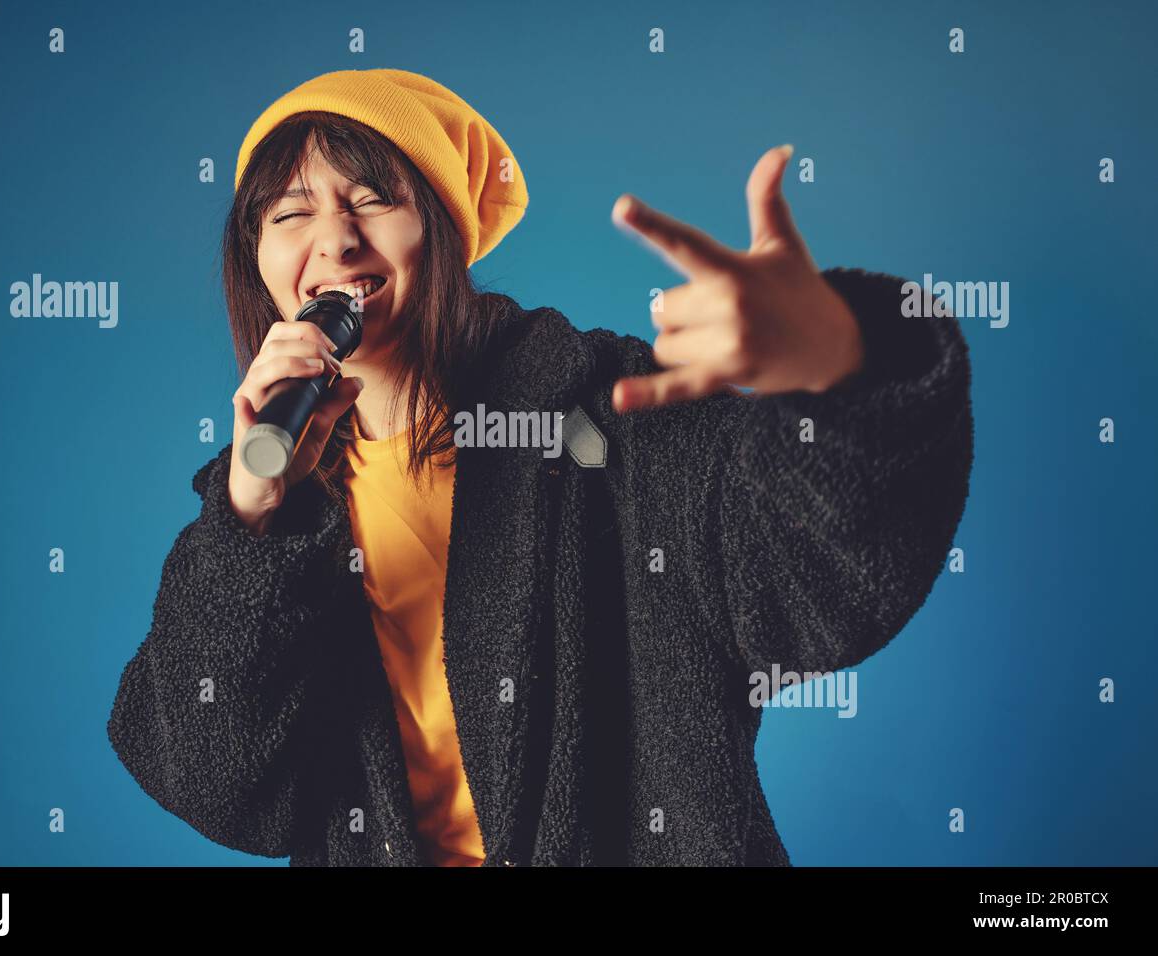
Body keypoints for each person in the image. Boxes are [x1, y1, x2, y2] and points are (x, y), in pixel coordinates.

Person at [107, 68, 974, 867]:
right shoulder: (267, 500)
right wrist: (251, 518)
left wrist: (838, 367)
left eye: (373, 200)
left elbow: (821, 580)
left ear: (443, 233)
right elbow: (213, 783)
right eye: (290, 213)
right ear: (256, 260)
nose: (334, 241)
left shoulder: (616, 412)